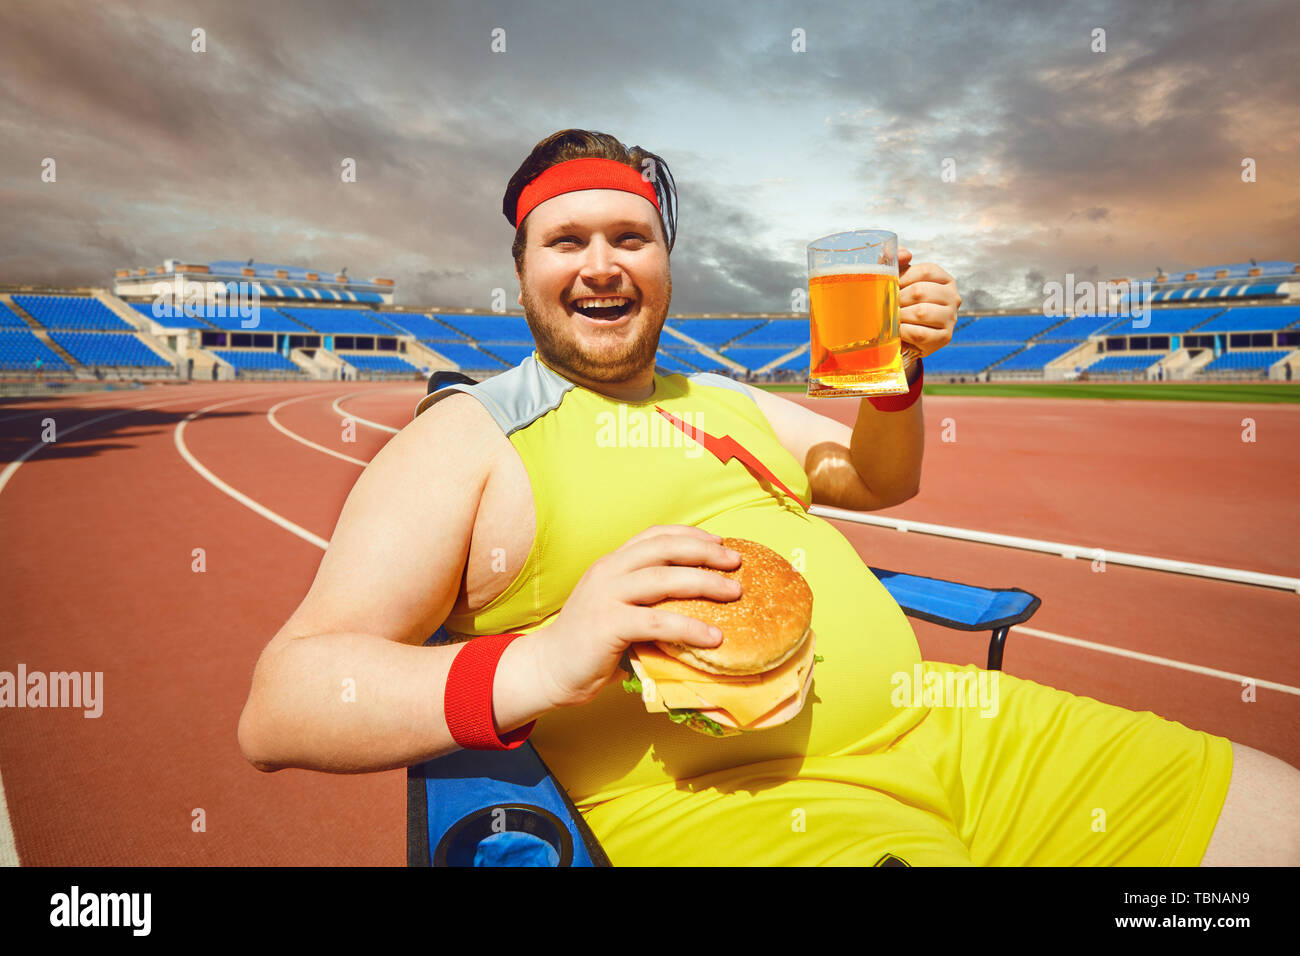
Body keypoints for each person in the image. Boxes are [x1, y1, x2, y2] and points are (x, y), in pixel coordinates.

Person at [238, 129, 1300, 866]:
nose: (602, 264)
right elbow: (283, 701)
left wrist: (895, 377)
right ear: (522, 272)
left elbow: (879, 477)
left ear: (664, 263)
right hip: (759, 811)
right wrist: (545, 657)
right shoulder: (466, 439)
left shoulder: (729, 399)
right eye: (568, 241)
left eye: (631, 238)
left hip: (969, 732)